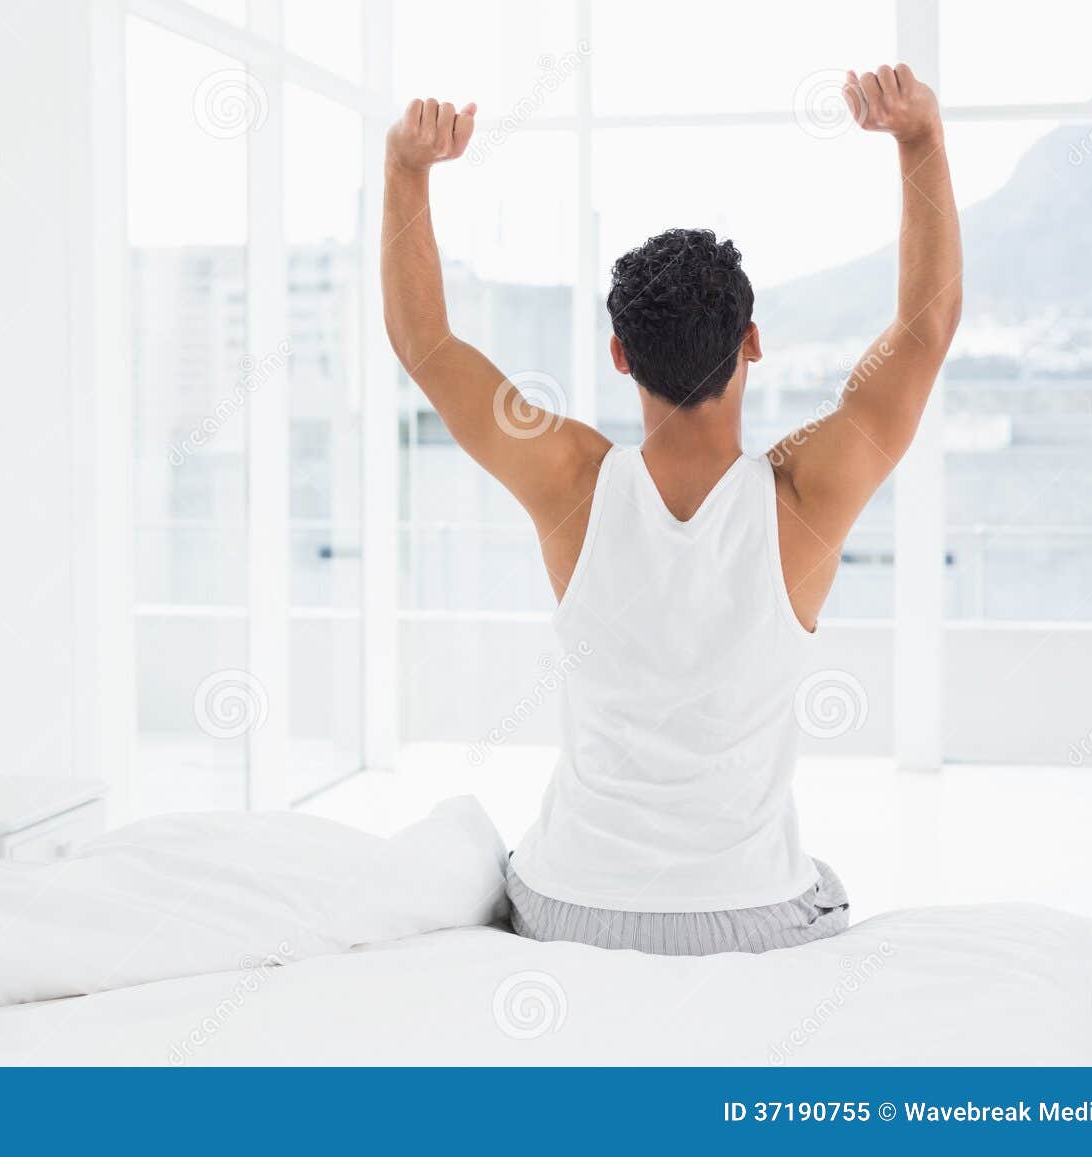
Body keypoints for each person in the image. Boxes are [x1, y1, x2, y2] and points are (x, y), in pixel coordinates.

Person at [379, 66, 961, 955]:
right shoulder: (806, 494)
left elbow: (427, 345)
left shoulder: (569, 478)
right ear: (753, 342)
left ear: (619, 354)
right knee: (825, 890)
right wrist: (920, 139)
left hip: (573, 903)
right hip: (750, 913)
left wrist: (405, 168)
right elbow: (924, 331)